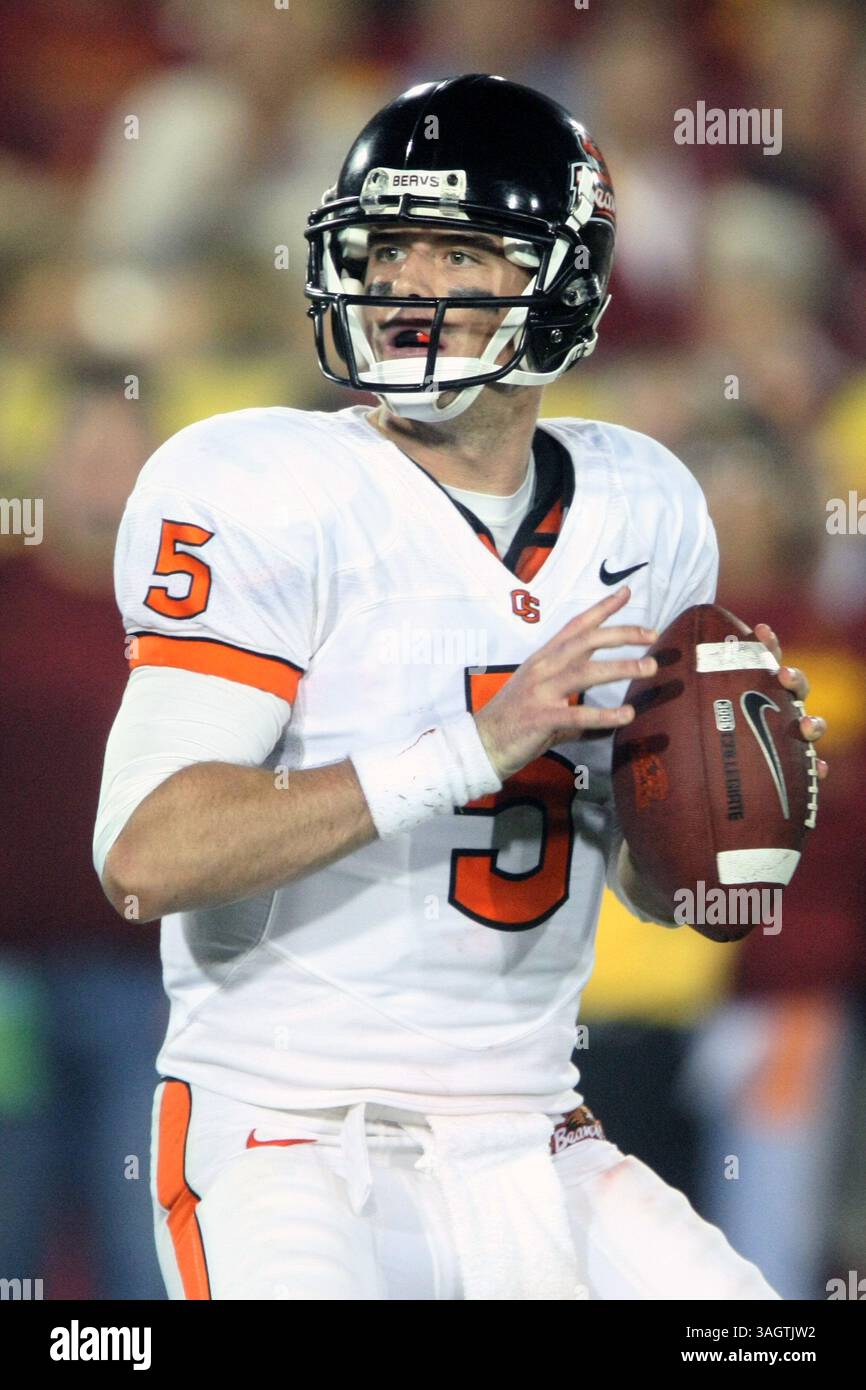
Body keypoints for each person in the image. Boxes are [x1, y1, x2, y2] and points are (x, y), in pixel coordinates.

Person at [93, 74, 828, 1300]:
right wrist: (470, 745)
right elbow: (144, 854)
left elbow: (657, 892)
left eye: (456, 253)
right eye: (387, 249)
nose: (401, 289)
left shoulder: (642, 507)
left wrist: (728, 824)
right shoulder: (255, 482)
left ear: (562, 288)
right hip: (284, 1125)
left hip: (530, 1127)